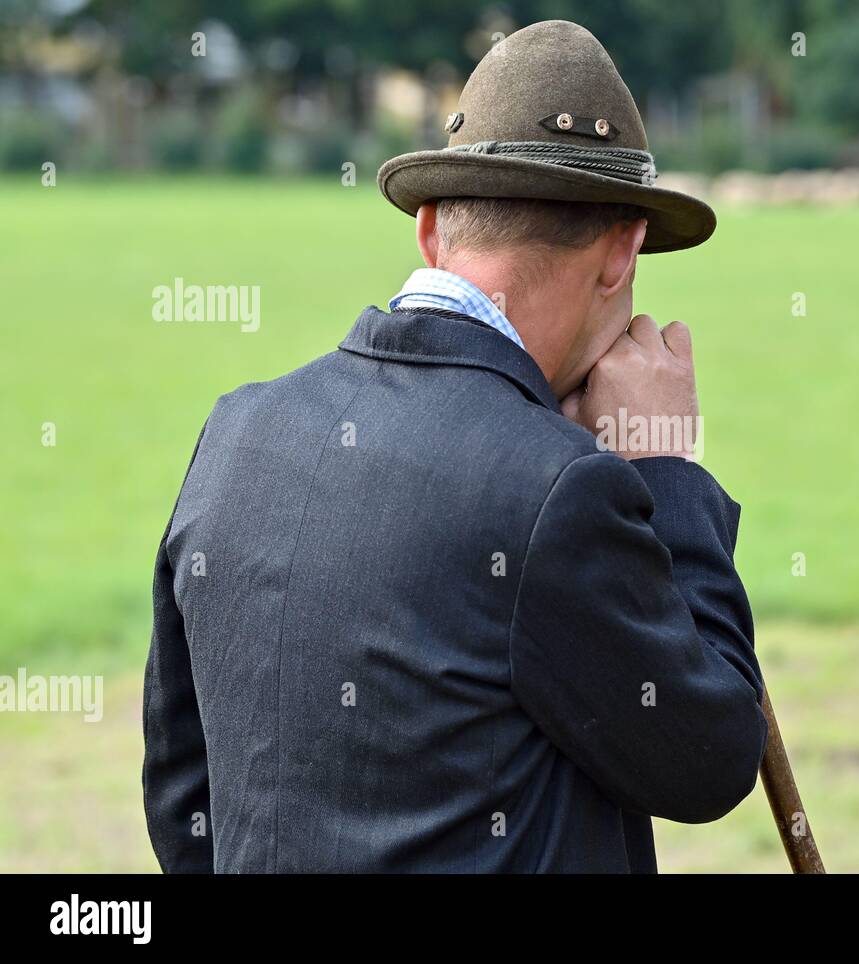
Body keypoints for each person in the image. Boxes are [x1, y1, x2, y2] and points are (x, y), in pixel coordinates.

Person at [143, 19, 766, 873]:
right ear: (623, 252)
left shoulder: (237, 429)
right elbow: (712, 756)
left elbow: (185, 800)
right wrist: (663, 467)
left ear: (430, 230)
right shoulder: (562, 490)